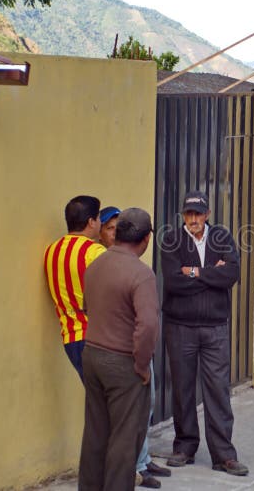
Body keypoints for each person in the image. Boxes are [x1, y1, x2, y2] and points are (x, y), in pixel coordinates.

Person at [160, 191, 249, 477]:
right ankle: (184, 446)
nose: (194, 219)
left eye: (198, 214)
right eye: (189, 214)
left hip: (215, 328)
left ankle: (223, 454)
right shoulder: (171, 240)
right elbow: (173, 283)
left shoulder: (222, 237)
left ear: (208, 214)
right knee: (183, 389)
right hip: (181, 327)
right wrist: (212, 274)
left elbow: (232, 274)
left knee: (218, 390)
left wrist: (195, 273)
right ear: (183, 215)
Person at [79, 208, 161, 490]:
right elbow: (148, 325)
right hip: (123, 362)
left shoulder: (96, 264)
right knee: (125, 439)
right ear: (147, 239)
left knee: (95, 433)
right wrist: (141, 364)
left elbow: (86, 306)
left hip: (91, 354)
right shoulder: (142, 274)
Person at [97, 206, 171, 488]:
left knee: (146, 406)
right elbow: (145, 323)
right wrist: (141, 364)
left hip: (130, 351)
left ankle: (142, 460)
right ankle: (129, 471)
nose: (115, 233)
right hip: (120, 353)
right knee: (123, 415)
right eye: (109, 228)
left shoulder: (132, 268)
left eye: (119, 227)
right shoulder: (102, 265)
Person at [43, 195, 106, 381]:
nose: (101, 223)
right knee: (119, 402)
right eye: (99, 218)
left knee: (96, 400)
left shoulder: (52, 251)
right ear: (91, 222)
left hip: (71, 338)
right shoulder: (95, 252)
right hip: (98, 338)